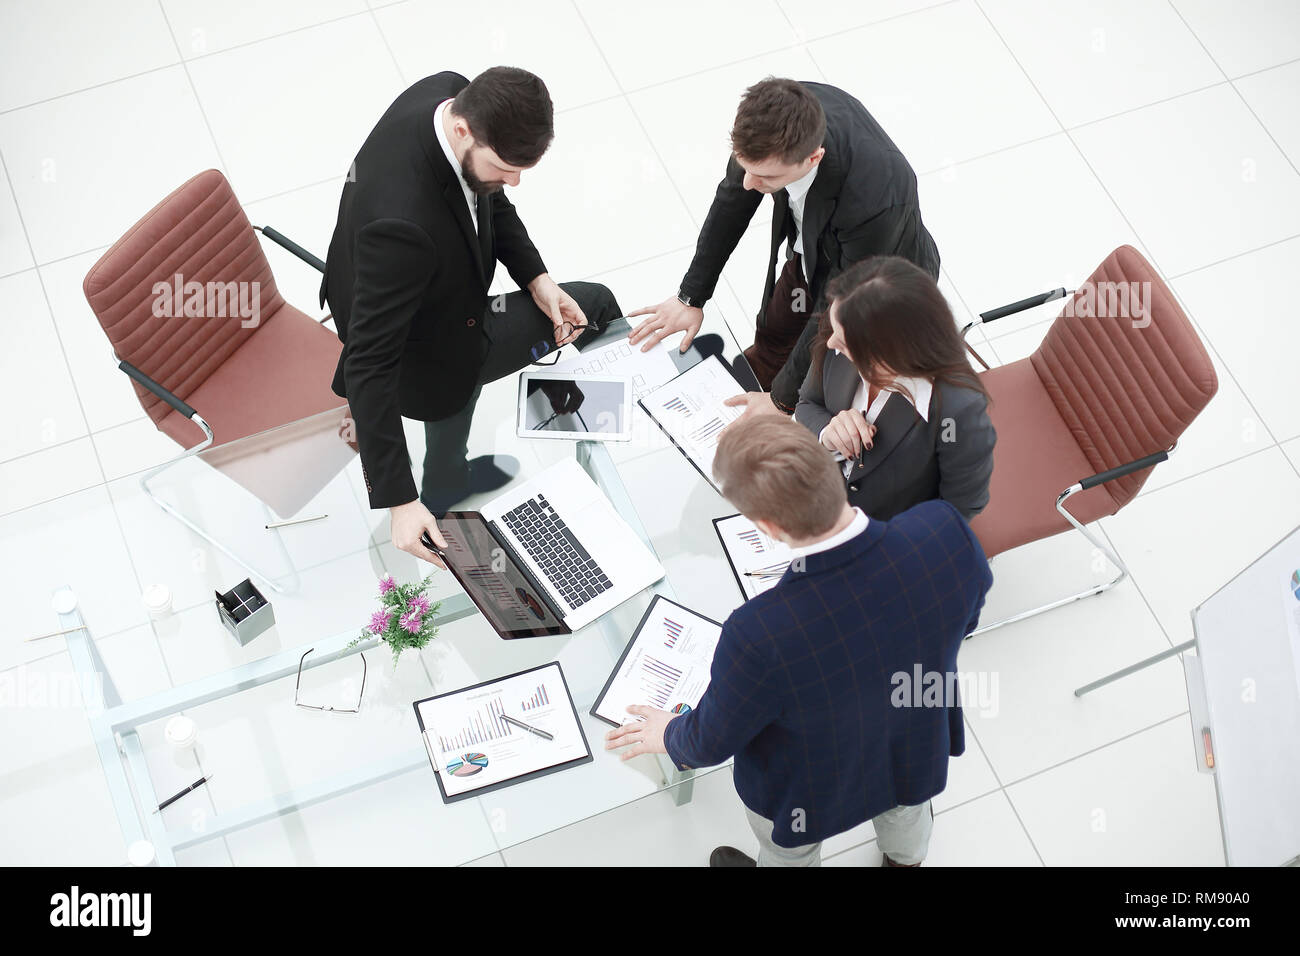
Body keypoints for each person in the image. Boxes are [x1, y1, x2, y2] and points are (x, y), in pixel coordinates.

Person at [605, 416, 992, 867]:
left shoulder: (757, 633)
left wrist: (669, 734)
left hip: (808, 789)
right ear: (834, 470)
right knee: (908, 811)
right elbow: (965, 620)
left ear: (768, 526)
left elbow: (711, 741)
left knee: (789, 851)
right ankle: (906, 860)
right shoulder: (943, 530)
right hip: (913, 744)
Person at [322, 68, 622, 566]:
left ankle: (447, 481)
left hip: (442, 306)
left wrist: (538, 280)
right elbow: (368, 363)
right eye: (504, 167)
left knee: (458, 390)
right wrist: (400, 502)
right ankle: (603, 424)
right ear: (463, 130)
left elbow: (489, 201)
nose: (514, 182)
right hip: (418, 347)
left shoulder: (447, 92)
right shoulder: (401, 226)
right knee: (597, 304)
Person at [627, 77, 939, 421]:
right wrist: (691, 297)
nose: (748, 183)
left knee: (832, 393)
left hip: (875, 290)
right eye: (745, 167)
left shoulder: (878, 193)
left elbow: (838, 303)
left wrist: (781, 401)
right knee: (775, 332)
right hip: (812, 252)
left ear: (813, 158)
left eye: (764, 177)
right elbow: (732, 200)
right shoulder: (776, 118)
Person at [795, 256, 995, 521]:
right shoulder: (840, 326)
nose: (831, 343)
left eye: (843, 342)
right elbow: (807, 404)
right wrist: (827, 432)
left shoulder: (958, 411)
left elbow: (959, 509)